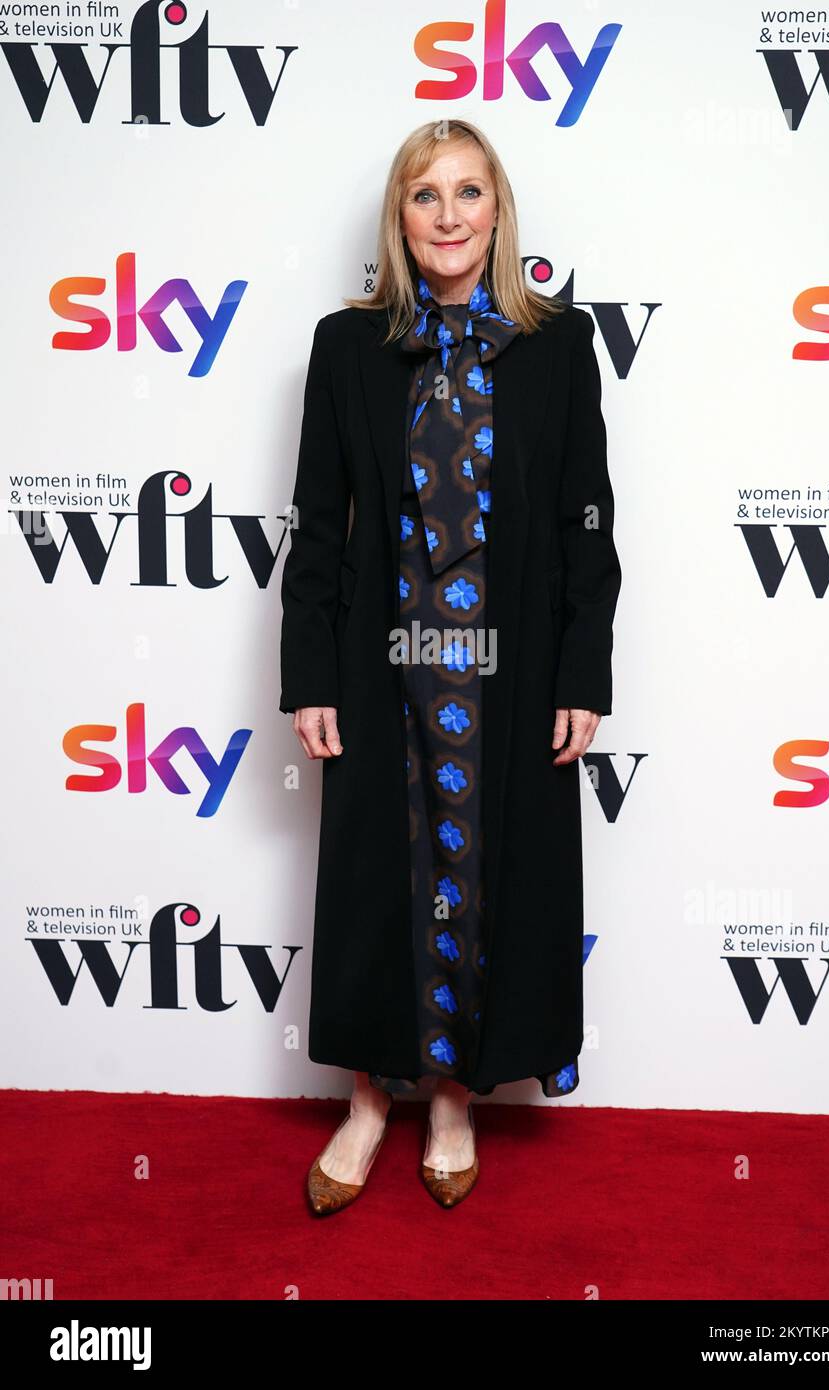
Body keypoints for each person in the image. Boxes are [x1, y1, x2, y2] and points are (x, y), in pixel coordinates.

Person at [280, 119, 621, 1214]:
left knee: (489, 883)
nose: (449, 216)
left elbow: (586, 526)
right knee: (381, 875)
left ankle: (454, 1099)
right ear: (400, 216)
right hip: (387, 662)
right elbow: (319, 528)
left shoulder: (559, 349)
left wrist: (583, 672)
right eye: (425, 195)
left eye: (468, 193)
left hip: (507, 673)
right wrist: (311, 673)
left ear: (497, 209)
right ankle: (371, 1101)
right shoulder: (348, 350)